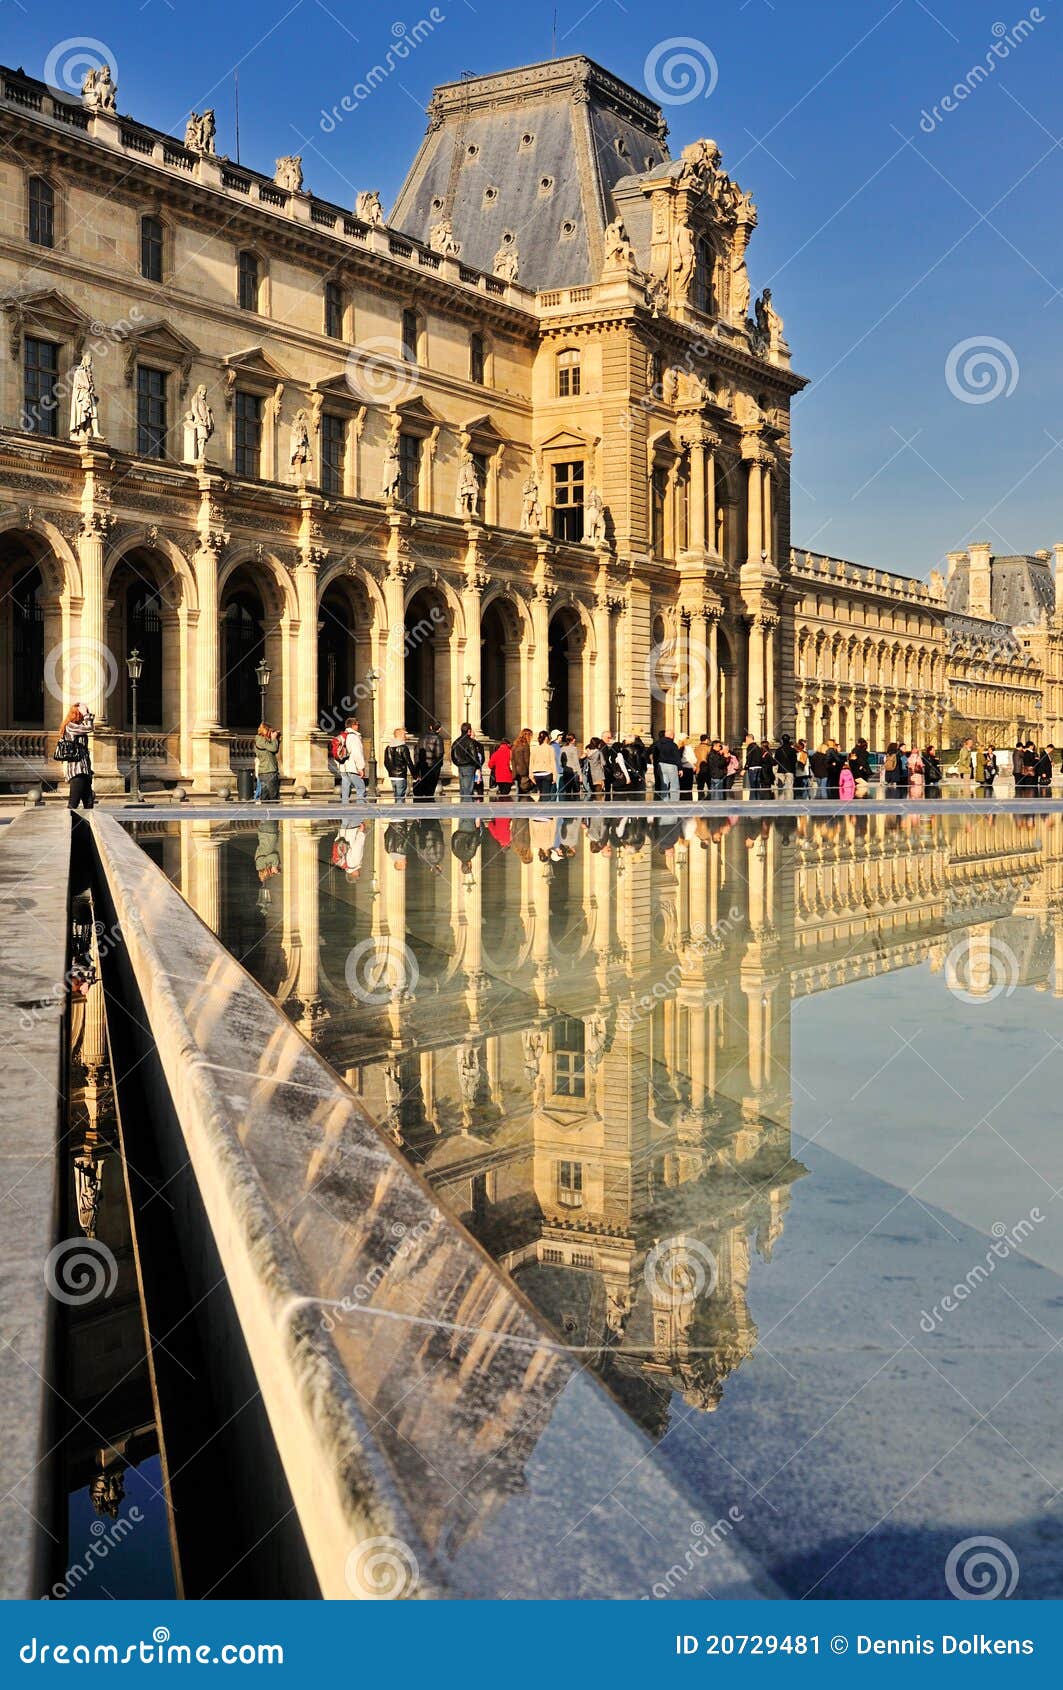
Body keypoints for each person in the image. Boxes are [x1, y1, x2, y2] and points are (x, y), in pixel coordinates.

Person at [55, 704, 95, 810]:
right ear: (77, 713)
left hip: (84, 770)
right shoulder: (70, 726)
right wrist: (86, 714)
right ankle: (68, 825)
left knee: (89, 803)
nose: (85, 714)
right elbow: (90, 728)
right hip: (77, 771)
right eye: (83, 712)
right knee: (73, 803)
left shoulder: (77, 726)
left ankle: (85, 826)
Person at [334, 716, 366, 805]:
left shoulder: (341, 736)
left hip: (343, 767)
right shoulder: (354, 737)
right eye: (357, 724)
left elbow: (337, 752)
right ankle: (360, 808)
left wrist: (339, 765)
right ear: (353, 725)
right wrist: (360, 767)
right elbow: (357, 753)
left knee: (345, 789)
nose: (358, 726)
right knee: (361, 788)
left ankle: (345, 808)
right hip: (352, 767)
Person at [450, 721, 484, 800]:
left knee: (463, 790)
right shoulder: (470, 742)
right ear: (468, 731)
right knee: (468, 790)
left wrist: (458, 763)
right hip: (469, 767)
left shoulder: (456, 742)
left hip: (460, 767)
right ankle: (467, 809)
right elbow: (474, 756)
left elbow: (453, 756)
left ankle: (463, 808)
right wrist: (477, 767)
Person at [415, 720, 445, 799]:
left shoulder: (421, 737)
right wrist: (438, 766)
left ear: (430, 727)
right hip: (433, 767)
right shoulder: (438, 738)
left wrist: (417, 766)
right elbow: (439, 754)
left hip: (422, 765)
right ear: (439, 729)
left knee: (423, 785)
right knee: (430, 789)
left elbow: (416, 752)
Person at [383, 727, 415, 802]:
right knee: (400, 798)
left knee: (396, 796)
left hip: (392, 776)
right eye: (404, 734)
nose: (405, 736)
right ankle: (399, 812)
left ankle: (396, 812)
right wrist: (415, 775)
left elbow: (386, 762)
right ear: (400, 735)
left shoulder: (388, 747)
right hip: (401, 776)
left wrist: (391, 771)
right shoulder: (403, 747)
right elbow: (409, 762)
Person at [651, 727, 681, 801]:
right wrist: (680, 768)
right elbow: (677, 757)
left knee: (664, 785)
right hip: (671, 765)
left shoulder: (657, 744)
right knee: (674, 785)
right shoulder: (673, 745)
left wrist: (656, 765)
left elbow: (654, 755)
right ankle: (674, 802)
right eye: (673, 735)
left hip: (661, 765)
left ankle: (665, 801)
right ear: (671, 736)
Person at [254, 722, 280, 802]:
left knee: (266, 797)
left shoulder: (264, 741)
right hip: (268, 772)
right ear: (266, 731)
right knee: (272, 797)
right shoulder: (260, 740)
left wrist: (276, 739)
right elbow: (274, 748)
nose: (271, 733)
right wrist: (274, 738)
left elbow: (273, 749)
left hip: (268, 771)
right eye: (270, 731)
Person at [530, 729, 556, 799]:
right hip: (547, 773)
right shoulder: (550, 748)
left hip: (536, 774)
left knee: (541, 794)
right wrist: (555, 776)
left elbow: (531, 762)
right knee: (546, 795)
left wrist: (530, 775)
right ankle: (545, 809)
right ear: (546, 738)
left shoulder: (534, 749)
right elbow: (552, 762)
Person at [512, 727, 533, 798]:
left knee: (519, 791)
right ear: (528, 736)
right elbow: (527, 760)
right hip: (524, 772)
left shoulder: (515, 745)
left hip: (516, 772)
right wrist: (530, 772)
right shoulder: (525, 746)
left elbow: (512, 759)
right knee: (525, 791)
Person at [560, 733, 582, 798]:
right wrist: (580, 774)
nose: (575, 740)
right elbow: (576, 762)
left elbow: (561, 761)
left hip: (566, 771)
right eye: (574, 738)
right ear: (572, 740)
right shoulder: (574, 749)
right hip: (574, 772)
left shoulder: (562, 748)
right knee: (576, 792)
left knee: (568, 792)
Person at [775, 733, 797, 798]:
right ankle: (789, 801)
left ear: (782, 740)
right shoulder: (792, 750)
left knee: (780, 789)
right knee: (789, 788)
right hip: (789, 770)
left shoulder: (778, 750)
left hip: (780, 770)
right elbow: (794, 761)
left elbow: (776, 761)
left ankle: (780, 801)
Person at [743, 733, 763, 798]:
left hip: (752, 768)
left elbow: (749, 758)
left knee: (752, 786)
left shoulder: (750, 747)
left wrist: (745, 768)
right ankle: (758, 799)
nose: (746, 741)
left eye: (746, 739)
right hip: (759, 767)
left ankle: (753, 799)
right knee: (757, 786)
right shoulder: (758, 747)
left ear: (749, 739)